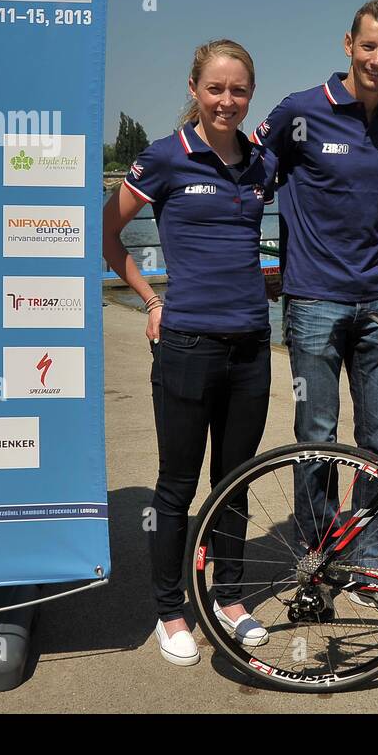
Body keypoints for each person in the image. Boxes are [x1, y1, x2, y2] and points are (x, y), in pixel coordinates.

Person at [103, 39, 276, 667]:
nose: (227, 100)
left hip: (253, 344)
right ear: (195, 88)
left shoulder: (262, 162)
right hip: (186, 346)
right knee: (176, 486)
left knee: (234, 482)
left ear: (249, 94)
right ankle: (170, 609)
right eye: (216, 89)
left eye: (238, 90)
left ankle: (228, 597)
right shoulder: (165, 158)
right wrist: (151, 301)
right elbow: (107, 231)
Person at [254, 0, 378, 589]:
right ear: (348, 43)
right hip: (314, 300)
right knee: (317, 436)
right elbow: (247, 182)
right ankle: (317, 558)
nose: (377, 58)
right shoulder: (300, 111)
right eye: (368, 45)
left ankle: (376, 560)